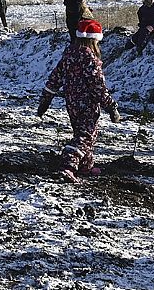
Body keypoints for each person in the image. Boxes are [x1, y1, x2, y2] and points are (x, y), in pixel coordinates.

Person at [37, 18, 120, 181]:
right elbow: (98, 87)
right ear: (94, 40)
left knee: (83, 134)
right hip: (88, 104)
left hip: (72, 103)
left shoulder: (69, 54)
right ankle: (68, 165)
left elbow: (56, 77)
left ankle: (85, 167)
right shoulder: (91, 59)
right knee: (86, 136)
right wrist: (111, 107)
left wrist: (45, 99)